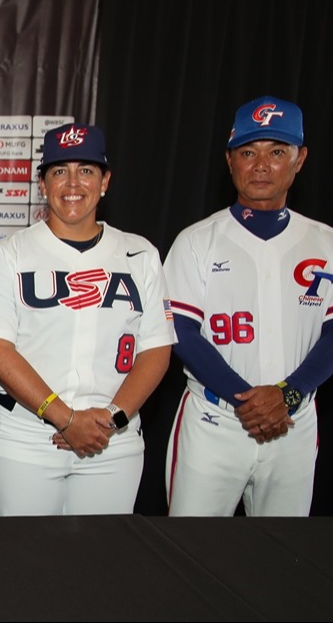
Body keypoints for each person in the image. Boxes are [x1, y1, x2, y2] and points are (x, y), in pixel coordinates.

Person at [0, 122, 176, 516]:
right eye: (59, 171)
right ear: (43, 183)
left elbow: (156, 350)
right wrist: (65, 418)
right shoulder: (9, 255)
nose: (72, 183)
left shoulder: (140, 254)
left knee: (100, 554)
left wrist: (111, 419)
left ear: (105, 181)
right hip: (24, 437)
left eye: (85, 170)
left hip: (111, 438)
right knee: (18, 552)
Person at [163, 95, 333, 516]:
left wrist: (287, 394)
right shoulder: (196, 240)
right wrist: (249, 401)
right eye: (248, 152)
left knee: (284, 551)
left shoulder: (325, 242)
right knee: (190, 548)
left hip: (293, 422)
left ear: (300, 159)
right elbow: (180, 331)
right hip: (215, 421)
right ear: (230, 160)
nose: (260, 165)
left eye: (276, 152)